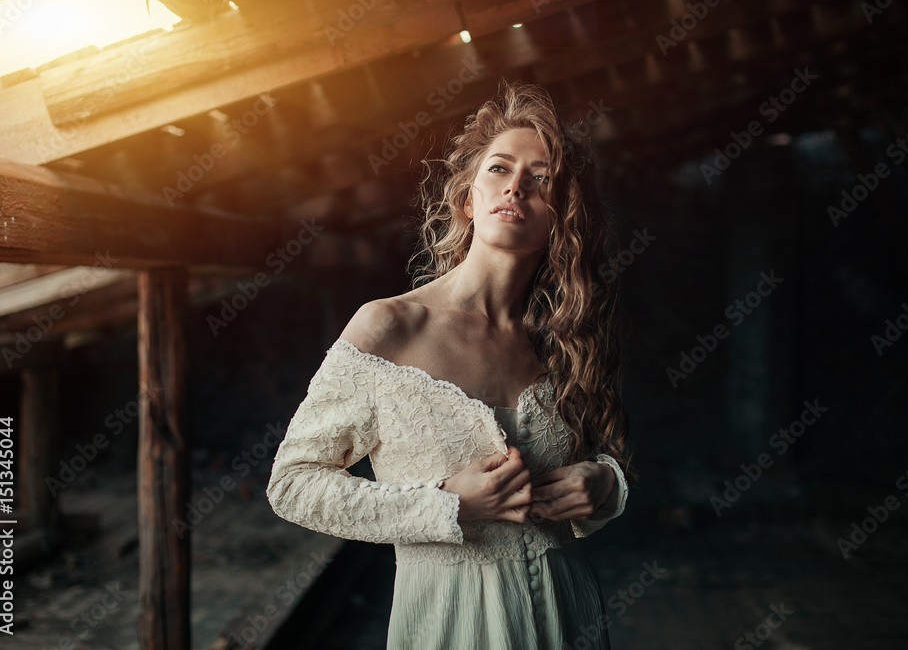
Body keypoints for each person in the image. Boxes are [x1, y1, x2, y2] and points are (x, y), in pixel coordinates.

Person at [266, 81, 636, 649]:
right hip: (449, 619)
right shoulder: (389, 327)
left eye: (541, 178)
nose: (516, 185)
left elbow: (602, 461)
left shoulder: (565, 341)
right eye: (499, 168)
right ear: (467, 197)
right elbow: (292, 484)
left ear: (563, 215)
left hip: (567, 616)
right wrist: (446, 506)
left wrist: (604, 485)